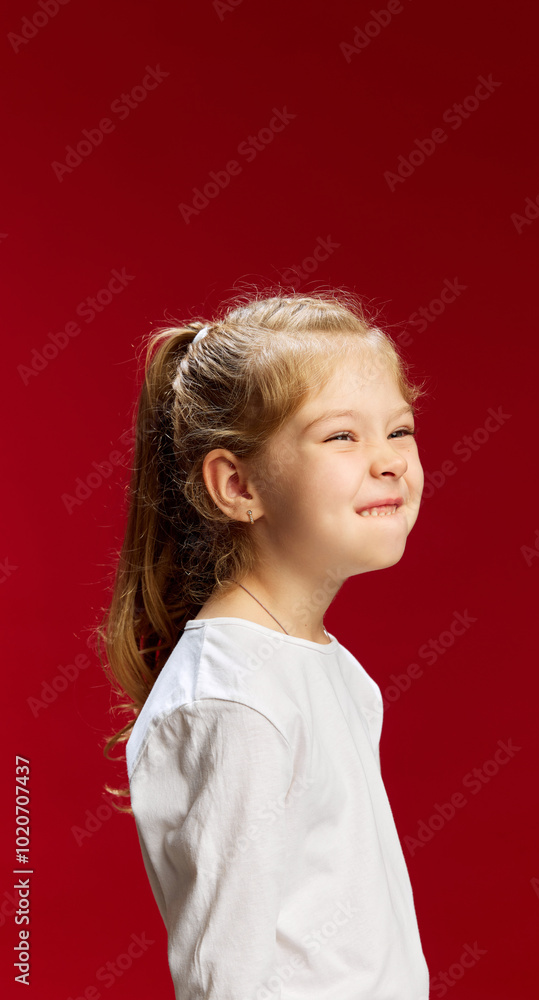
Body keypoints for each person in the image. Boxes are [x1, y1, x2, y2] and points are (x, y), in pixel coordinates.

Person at [98, 289, 431, 999]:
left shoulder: (331, 671)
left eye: (399, 431)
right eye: (343, 436)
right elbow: (226, 979)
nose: (389, 461)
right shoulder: (236, 698)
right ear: (237, 484)